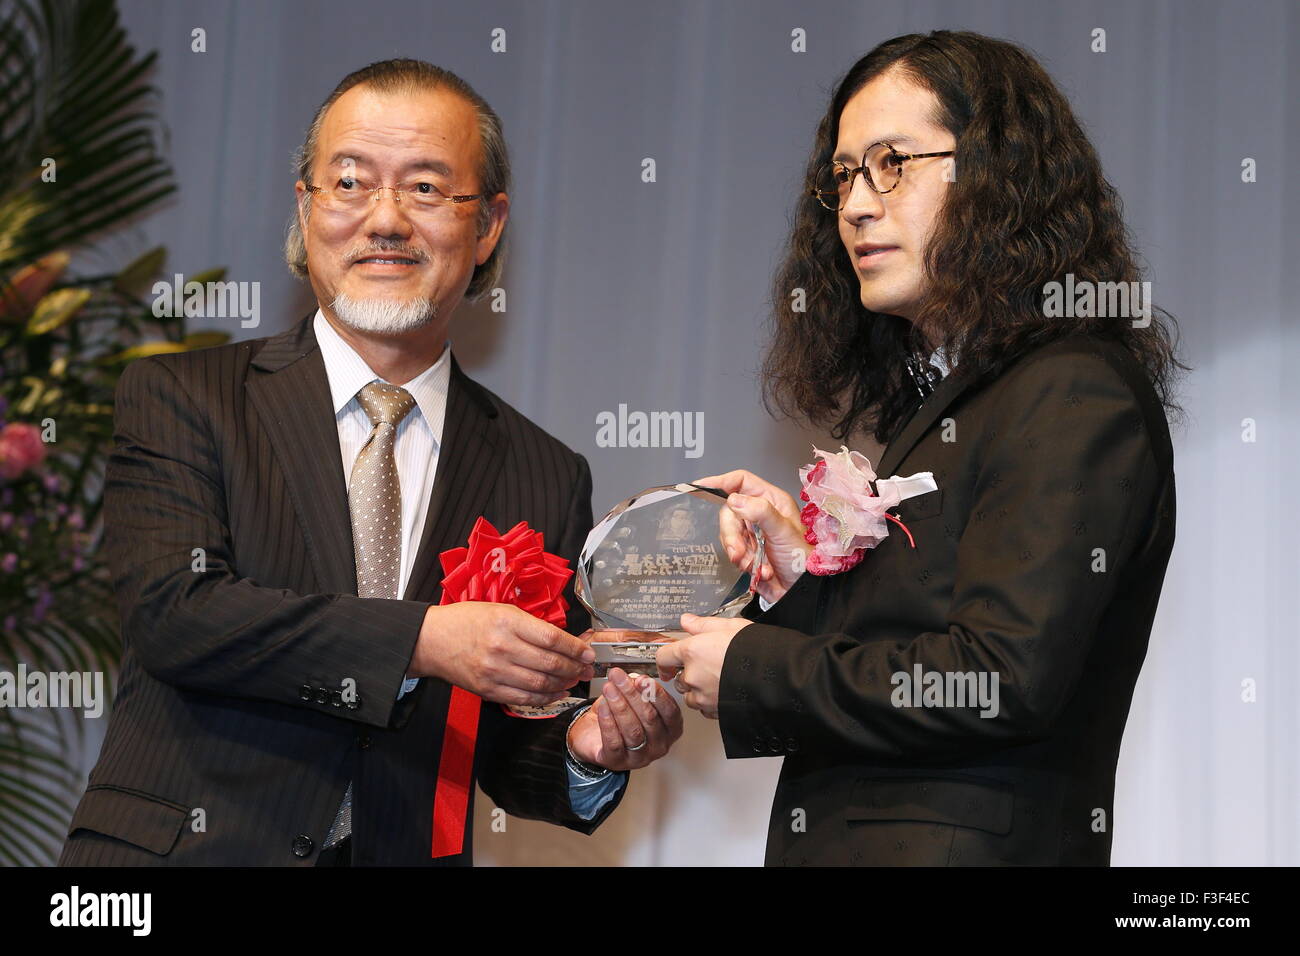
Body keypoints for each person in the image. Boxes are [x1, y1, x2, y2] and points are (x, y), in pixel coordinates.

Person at [60, 58, 680, 867]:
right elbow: (177, 616)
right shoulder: (184, 395)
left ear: (488, 224)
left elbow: (507, 747)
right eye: (350, 181)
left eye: (426, 189)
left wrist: (588, 749)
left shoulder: (545, 471)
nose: (385, 219)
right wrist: (425, 638)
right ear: (307, 207)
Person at [658, 30, 1185, 866]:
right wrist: (798, 580)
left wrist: (757, 668)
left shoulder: (1073, 389)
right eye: (843, 174)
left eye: (892, 162)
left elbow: (997, 678)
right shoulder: (957, 396)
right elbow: (902, 649)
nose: (858, 204)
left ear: (995, 175)